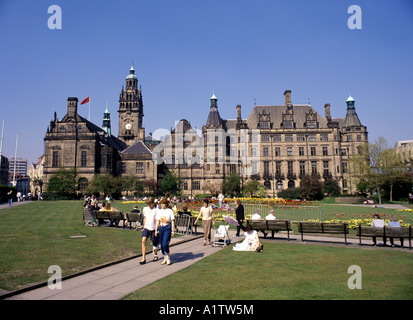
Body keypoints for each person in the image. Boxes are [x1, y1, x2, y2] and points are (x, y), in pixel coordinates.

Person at [155, 199, 175, 265]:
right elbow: (158, 221)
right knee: (161, 243)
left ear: (166, 204)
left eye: (164, 204)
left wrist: (173, 230)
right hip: (161, 227)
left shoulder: (170, 211)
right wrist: (156, 230)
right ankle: (165, 257)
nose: (162, 205)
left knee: (165, 243)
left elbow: (172, 221)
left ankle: (168, 257)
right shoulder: (159, 211)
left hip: (167, 227)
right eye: (161, 204)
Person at [140, 198, 160, 264]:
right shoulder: (145, 209)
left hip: (154, 228)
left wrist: (157, 229)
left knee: (154, 242)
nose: (149, 205)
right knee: (143, 240)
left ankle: (155, 255)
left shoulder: (156, 210)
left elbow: (157, 220)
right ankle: (143, 258)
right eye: (148, 204)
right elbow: (145, 218)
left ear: (153, 203)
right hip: (147, 227)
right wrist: (144, 226)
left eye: (150, 204)